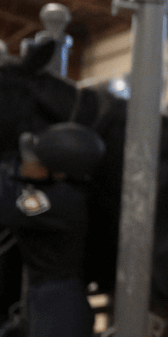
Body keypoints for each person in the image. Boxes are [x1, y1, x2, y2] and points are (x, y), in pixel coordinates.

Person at [0, 123, 103, 337]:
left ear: (58, 173)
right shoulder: (64, 191)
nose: (24, 164)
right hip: (49, 295)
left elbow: (6, 201)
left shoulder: (59, 202)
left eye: (33, 161)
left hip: (57, 304)